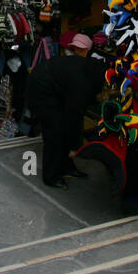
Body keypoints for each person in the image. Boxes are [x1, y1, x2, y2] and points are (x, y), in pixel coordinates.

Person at [26, 34, 107, 189]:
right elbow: (74, 116)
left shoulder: (92, 71)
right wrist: (73, 147)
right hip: (41, 91)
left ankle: (67, 168)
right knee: (54, 133)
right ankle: (51, 176)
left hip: (53, 88)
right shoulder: (84, 84)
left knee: (62, 128)